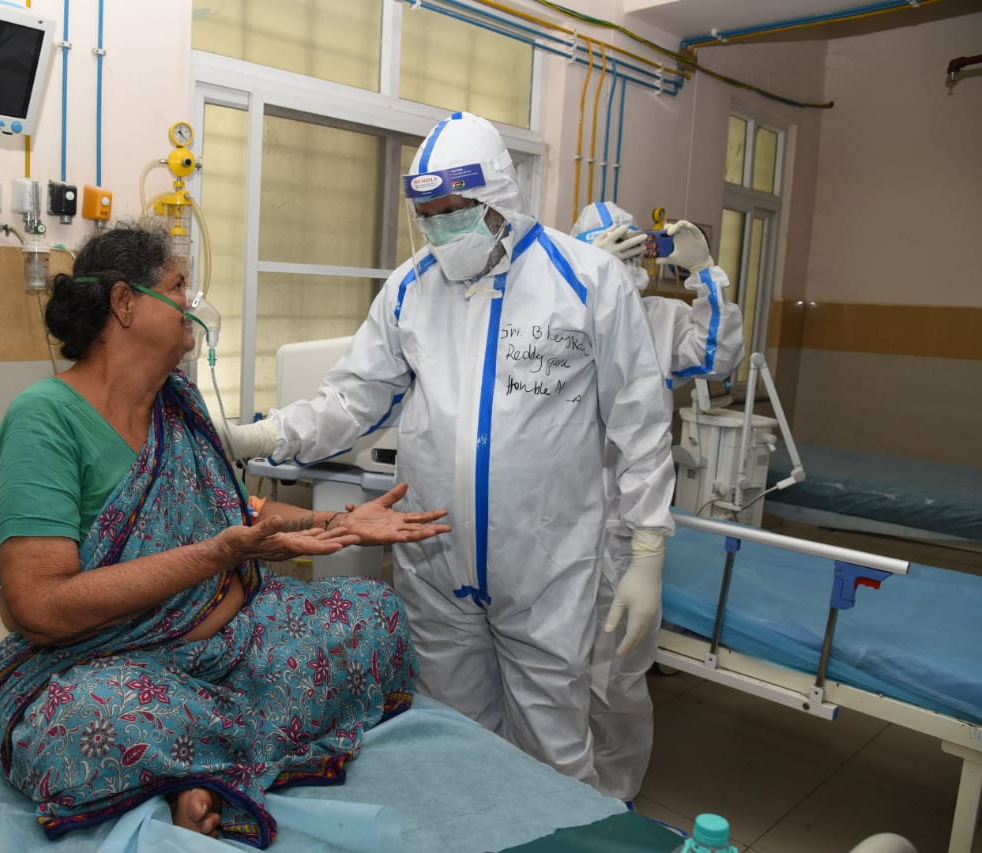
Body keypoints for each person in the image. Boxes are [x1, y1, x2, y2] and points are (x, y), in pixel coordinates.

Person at [0, 220, 451, 848]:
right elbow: (39, 607)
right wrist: (218, 553)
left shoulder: (178, 406)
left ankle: (187, 759)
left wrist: (337, 522)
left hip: (239, 637)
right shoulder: (45, 420)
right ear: (125, 302)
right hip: (114, 659)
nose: (195, 306)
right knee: (90, 723)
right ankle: (190, 760)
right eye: (180, 286)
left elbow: (240, 512)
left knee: (374, 613)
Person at [227, 112, 676, 791]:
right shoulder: (411, 287)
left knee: (551, 750)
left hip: (547, 563)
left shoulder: (585, 281)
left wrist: (647, 547)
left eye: (455, 210)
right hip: (434, 559)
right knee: (448, 737)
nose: (440, 228)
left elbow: (640, 423)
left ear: (499, 201)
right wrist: (260, 436)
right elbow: (352, 400)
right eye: (428, 214)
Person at [572, 201, 746, 801]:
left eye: (629, 249)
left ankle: (613, 793)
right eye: (607, 251)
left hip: (627, 523)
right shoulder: (554, 316)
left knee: (617, 671)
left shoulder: (657, 320)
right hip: (555, 519)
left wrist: (707, 275)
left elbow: (718, 355)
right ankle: (552, 781)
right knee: (551, 663)